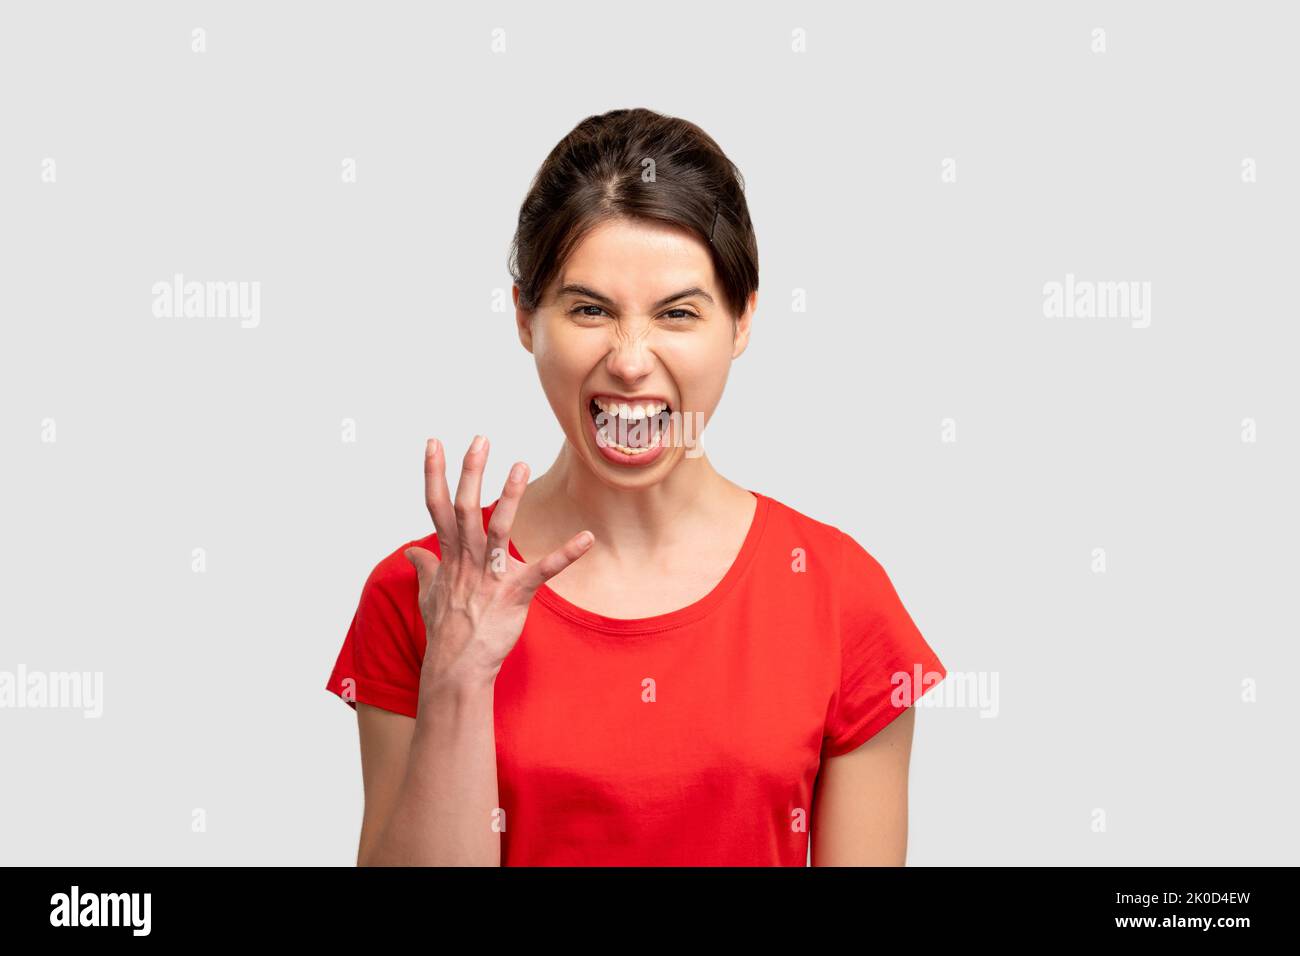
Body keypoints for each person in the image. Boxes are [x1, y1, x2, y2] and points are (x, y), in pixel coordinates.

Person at [325, 107, 947, 866]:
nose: (628, 359)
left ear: (743, 319)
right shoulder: (421, 592)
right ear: (525, 317)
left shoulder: (841, 595)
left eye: (677, 313)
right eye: (589, 309)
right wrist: (456, 677)